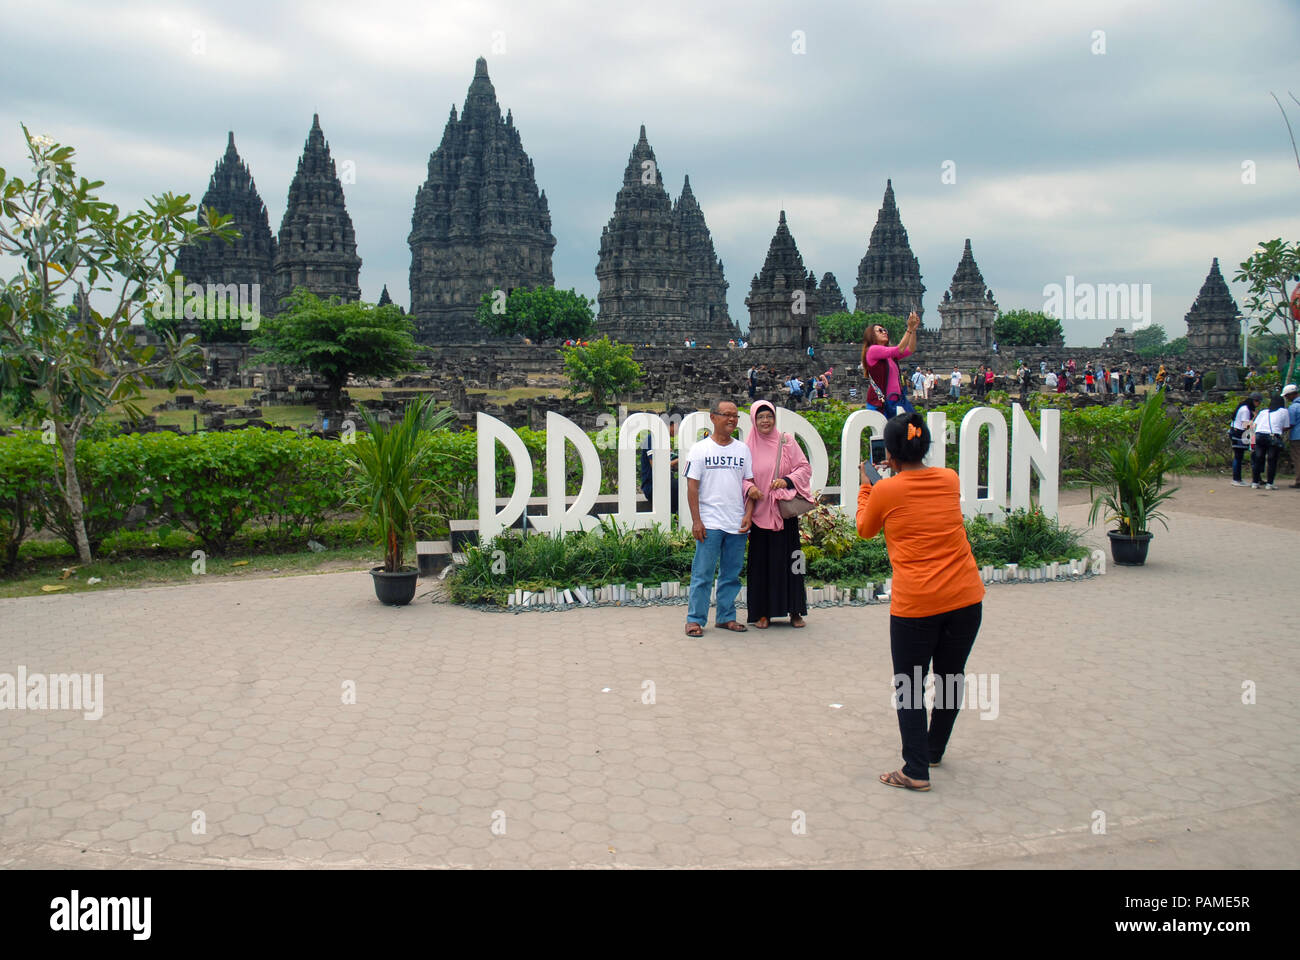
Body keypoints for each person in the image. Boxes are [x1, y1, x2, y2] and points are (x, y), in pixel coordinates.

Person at [856, 413, 985, 792]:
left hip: (917, 604)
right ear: (925, 446)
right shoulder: (949, 479)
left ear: (891, 456)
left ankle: (914, 770)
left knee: (910, 685)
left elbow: (865, 529)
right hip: (965, 596)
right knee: (950, 676)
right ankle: (931, 749)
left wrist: (867, 487)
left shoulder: (885, 490)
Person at [684, 399, 754, 636]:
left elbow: (749, 484)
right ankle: (695, 619)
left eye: (735, 415)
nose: (732, 419)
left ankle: (726, 617)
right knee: (702, 574)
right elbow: (692, 487)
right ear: (713, 417)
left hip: (736, 522)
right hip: (710, 522)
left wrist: (749, 514)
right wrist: (696, 520)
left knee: (731, 575)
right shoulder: (700, 449)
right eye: (726, 415)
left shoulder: (742, 450)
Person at [742, 400, 812, 629]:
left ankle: (795, 611)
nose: (765, 421)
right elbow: (741, 476)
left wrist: (787, 480)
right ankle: (763, 614)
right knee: (761, 565)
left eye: (769, 416)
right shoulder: (747, 446)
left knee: (793, 563)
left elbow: (804, 467)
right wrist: (748, 488)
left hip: (783, 513)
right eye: (760, 416)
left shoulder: (786, 441)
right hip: (759, 513)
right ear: (754, 419)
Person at [862, 312, 922, 417]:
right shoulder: (872, 350)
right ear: (871, 335)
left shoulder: (889, 356)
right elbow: (899, 349)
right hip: (881, 402)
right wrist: (909, 328)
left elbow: (911, 349)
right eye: (880, 331)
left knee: (913, 428)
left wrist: (913, 330)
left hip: (898, 400)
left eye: (885, 330)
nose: (884, 332)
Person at [639, 415, 680, 516]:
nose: (679, 430)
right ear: (672, 424)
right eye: (679, 426)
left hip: (666, 483)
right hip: (653, 486)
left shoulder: (664, 440)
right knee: (680, 487)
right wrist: (681, 459)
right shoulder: (652, 439)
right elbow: (657, 467)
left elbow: (672, 466)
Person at [1251, 395, 1291, 490]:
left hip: (1259, 435)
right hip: (1273, 437)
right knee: (1272, 460)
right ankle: (1269, 484)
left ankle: (1255, 482)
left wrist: (1252, 442)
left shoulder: (1263, 411)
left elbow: (1254, 425)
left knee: (1258, 459)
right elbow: (1286, 426)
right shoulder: (1284, 411)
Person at [1229, 393, 1261, 486]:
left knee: (1238, 456)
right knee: (1238, 457)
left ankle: (1237, 478)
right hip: (1239, 434)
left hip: (1237, 432)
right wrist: (1255, 417)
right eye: (1258, 401)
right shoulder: (1246, 410)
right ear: (1254, 401)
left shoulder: (1244, 407)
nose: (1258, 404)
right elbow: (1245, 425)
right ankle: (1236, 479)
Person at [1284, 384, 1300, 488]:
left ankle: (1299, 480)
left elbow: (1290, 423)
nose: (1286, 398)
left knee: (1298, 458)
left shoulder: (1293, 407)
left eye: (1287, 396)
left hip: (1297, 436)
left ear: (1292, 395)